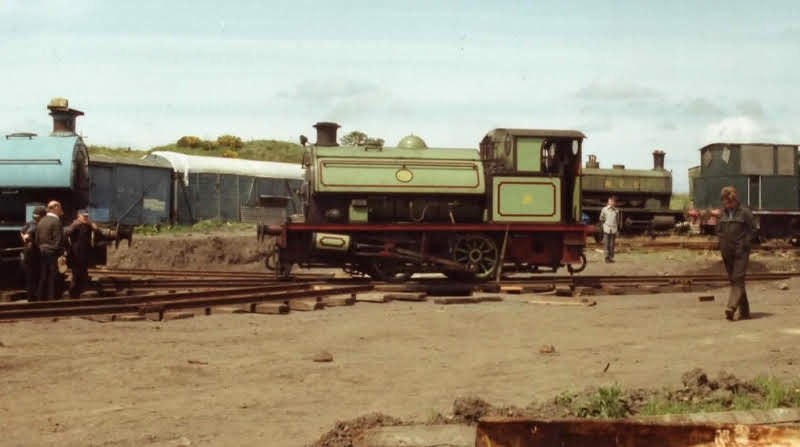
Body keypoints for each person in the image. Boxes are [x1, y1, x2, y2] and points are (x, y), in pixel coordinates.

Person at [717, 186, 756, 321]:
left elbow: (753, 230)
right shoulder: (723, 214)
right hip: (727, 252)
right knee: (735, 281)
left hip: (741, 252)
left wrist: (744, 244)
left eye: (728, 201)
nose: (726, 204)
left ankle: (731, 307)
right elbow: (719, 231)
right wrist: (722, 245)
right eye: (724, 201)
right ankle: (745, 312)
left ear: (734, 199)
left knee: (738, 279)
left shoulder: (745, 213)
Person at [64, 209, 97, 299]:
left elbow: (96, 231)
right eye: (84, 216)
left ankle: (79, 293)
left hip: (84, 255)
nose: (86, 218)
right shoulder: (75, 225)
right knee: (76, 275)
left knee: (83, 274)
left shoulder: (88, 225)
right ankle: (73, 293)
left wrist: (93, 226)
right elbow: (66, 232)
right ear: (78, 216)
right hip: (76, 254)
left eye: (87, 216)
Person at [35, 201, 64, 300]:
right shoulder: (56, 222)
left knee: (43, 276)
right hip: (52, 253)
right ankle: (51, 299)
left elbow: (37, 239)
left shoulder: (41, 221)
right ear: (55, 208)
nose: (61, 210)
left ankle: (40, 298)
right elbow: (58, 240)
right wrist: (61, 254)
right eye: (60, 207)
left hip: (41, 251)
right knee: (52, 277)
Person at [20, 206, 47, 300]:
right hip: (33, 254)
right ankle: (33, 297)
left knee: (30, 276)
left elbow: (22, 231)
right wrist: (29, 240)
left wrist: (25, 241)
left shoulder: (30, 223)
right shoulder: (35, 225)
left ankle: (31, 296)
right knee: (35, 276)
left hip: (28, 253)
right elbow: (27, 234)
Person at [599, 196, 620, 263]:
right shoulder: (604, 209)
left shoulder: (616, 211)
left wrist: (617, 229)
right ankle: (606, 257)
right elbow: (601, 218)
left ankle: (611, 257)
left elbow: (617, 220)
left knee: (612, 244)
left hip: (613, 229)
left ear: (615, 203)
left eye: (613, 201)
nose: (612, 203)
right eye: (610, 201)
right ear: (608, 202)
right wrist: (604, 225)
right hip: (607, 228)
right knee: (606, 243)